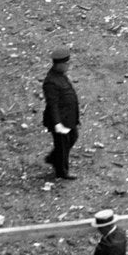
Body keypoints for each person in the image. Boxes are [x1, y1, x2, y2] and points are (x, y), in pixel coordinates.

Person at [41, 46, 80, 179]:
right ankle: (62, 172)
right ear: (59, 65)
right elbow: (52, 105)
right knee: (62, 146)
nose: (68, 66)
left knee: (73, 138)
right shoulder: (50, 82)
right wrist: (57, 123)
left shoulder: (60, 76)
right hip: (61, 121)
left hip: (69, 118)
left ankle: (53, 158)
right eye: (66, 64)